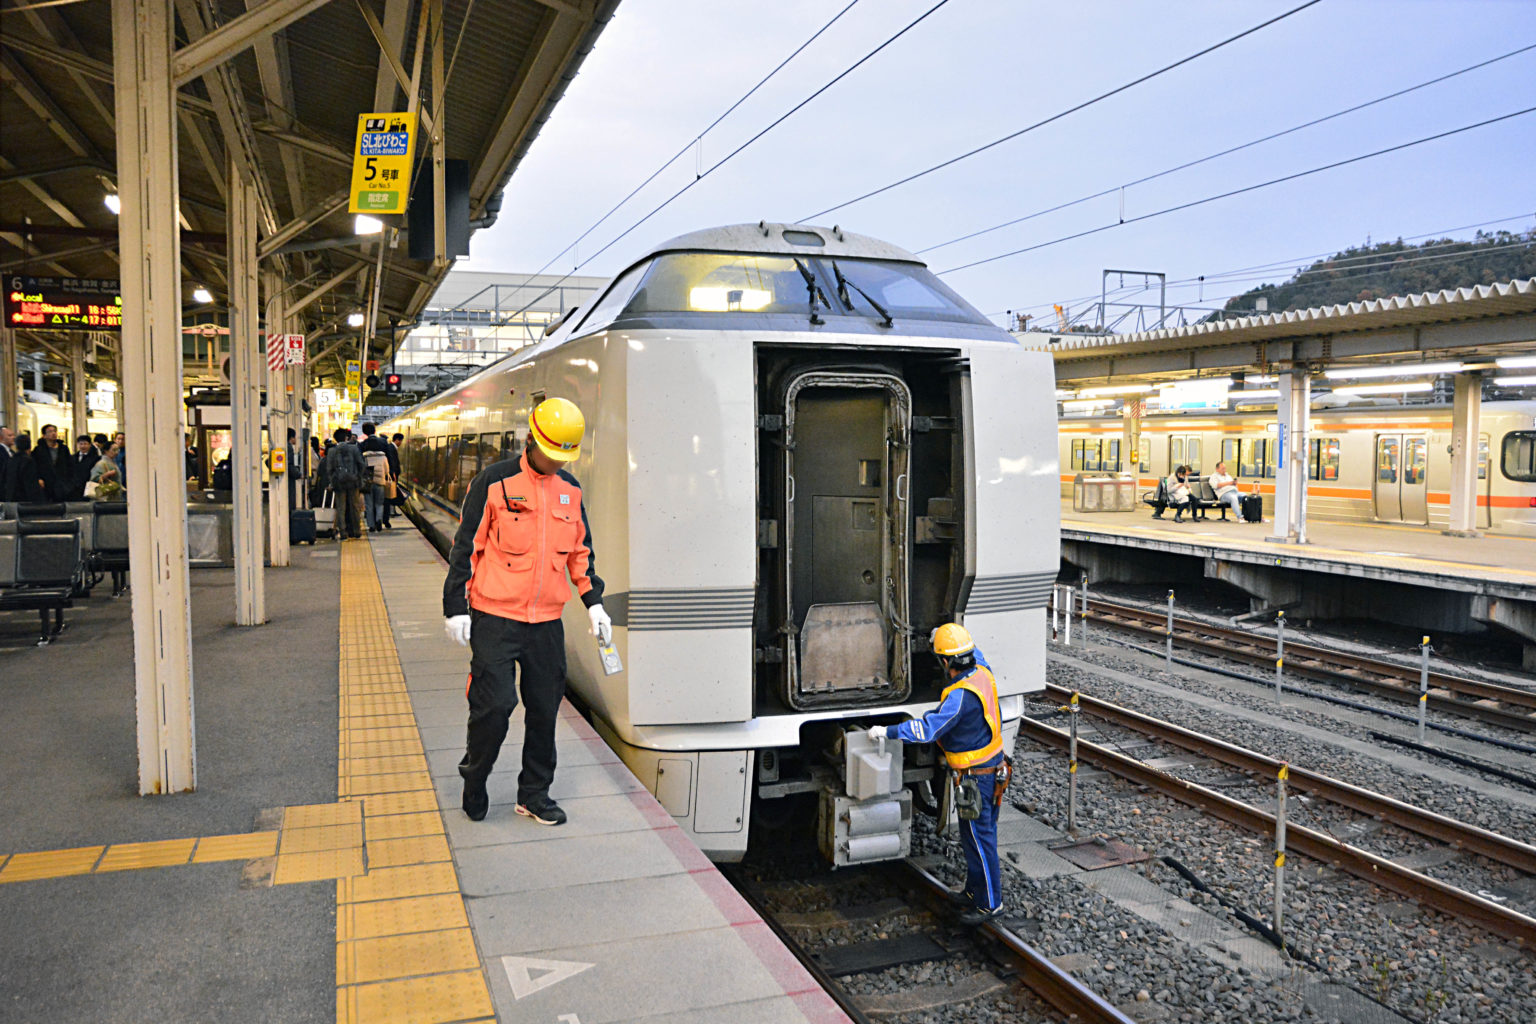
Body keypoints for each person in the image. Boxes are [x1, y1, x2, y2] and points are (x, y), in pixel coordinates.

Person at [443, 397, 611, 826]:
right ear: (532, 439)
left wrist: (594, 604)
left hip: (545, 625)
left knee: (544, 710)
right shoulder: (494, 482)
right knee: (495, 706)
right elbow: (467, 547)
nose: (557, 463)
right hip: (495, 618)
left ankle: (534, 793)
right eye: (552, 454)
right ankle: (475, 775)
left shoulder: (569, 490)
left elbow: (581, 553)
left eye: (564, 456)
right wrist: (455, 608)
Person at [869, 623, 1009, 925]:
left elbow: (927, 729)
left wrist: (888, 731)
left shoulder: (960, 698)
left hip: (976, 777)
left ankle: (990, 904)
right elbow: (973, 651)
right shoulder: (982, 671)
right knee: (974, 837)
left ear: (946, 663)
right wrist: (942, 635)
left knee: (979, 837)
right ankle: (974, 892)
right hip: (993, 769)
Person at [323, 427, 367, 539]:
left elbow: (329, 469)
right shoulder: (354, 449)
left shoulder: (332, 451)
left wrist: (333, 481)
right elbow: (362, 465)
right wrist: (358, 476)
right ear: (347, 437)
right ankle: (357, 531)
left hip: (339, 483)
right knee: (355, 507)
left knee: (341, 508)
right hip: (353, 482)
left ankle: (343, 532)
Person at [358, 422, 392, 532]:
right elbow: (388, 468)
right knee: (379, 503)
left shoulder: (362, 445)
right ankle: (379, 519)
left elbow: (360, 465)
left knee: (369, 504)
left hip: (368, 479)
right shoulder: (383, 444)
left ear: (364, 432)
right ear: (374, 430)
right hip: (380, 479)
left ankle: (371, 525)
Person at [4, 434, 47, 503]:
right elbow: (30, 483)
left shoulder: (11, 460)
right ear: (30, 446)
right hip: (25, 499)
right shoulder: (28, 461)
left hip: (12, 498)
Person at [35, 424, 71, 501]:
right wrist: (38, 478)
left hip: (62, 483)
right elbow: (35, 465)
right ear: (44, 435)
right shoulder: (38, 450)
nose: (53, 433)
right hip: (46, 483)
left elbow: (70, 465)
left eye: (54, 431)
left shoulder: (63, 449)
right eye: (50, 432)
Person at [0, 426, 15, 501]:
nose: (13, 437)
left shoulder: (12, 452)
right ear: (1, 437)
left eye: (13, 435)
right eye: (10, 435)